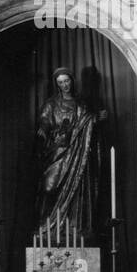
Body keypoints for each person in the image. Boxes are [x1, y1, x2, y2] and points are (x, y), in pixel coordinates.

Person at [35, 66, 106, 243]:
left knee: (76, 190)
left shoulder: (80, 103)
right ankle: (47, 226)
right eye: (60, 82)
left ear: (72, 81)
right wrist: (43, 130)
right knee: (49, 187)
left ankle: (71, 228)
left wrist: (96, 118)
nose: (64, 85)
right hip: (58, 150)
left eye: (66, 81)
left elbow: (86, 123)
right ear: (56, 84)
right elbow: (44, 119)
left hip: (76, 154)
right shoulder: (51, 103)